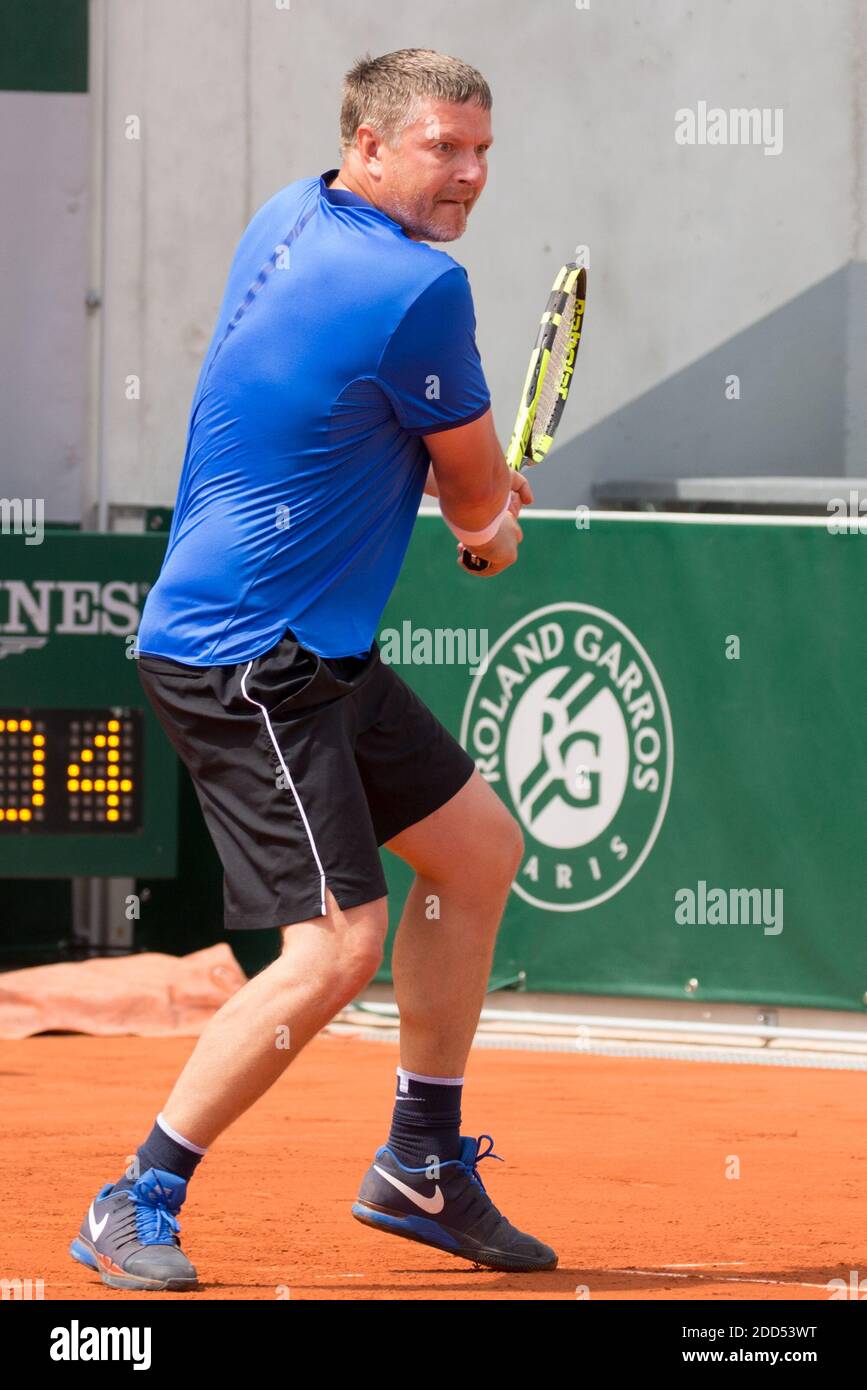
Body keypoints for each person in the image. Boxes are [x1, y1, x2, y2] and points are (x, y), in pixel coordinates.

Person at [70, 47, 556, 1290]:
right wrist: (490, 525)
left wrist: (478, 495)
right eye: (447, 148)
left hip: (309, 644)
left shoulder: (291, 211)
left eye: (483, 149)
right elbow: (469, 490)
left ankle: (422, 1161)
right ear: (373, 145)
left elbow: (409, 442)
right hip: (247, 657)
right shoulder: (417, 289)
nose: (472, 173)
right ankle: (136, 1193)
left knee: (475, 850)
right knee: (336, 945)